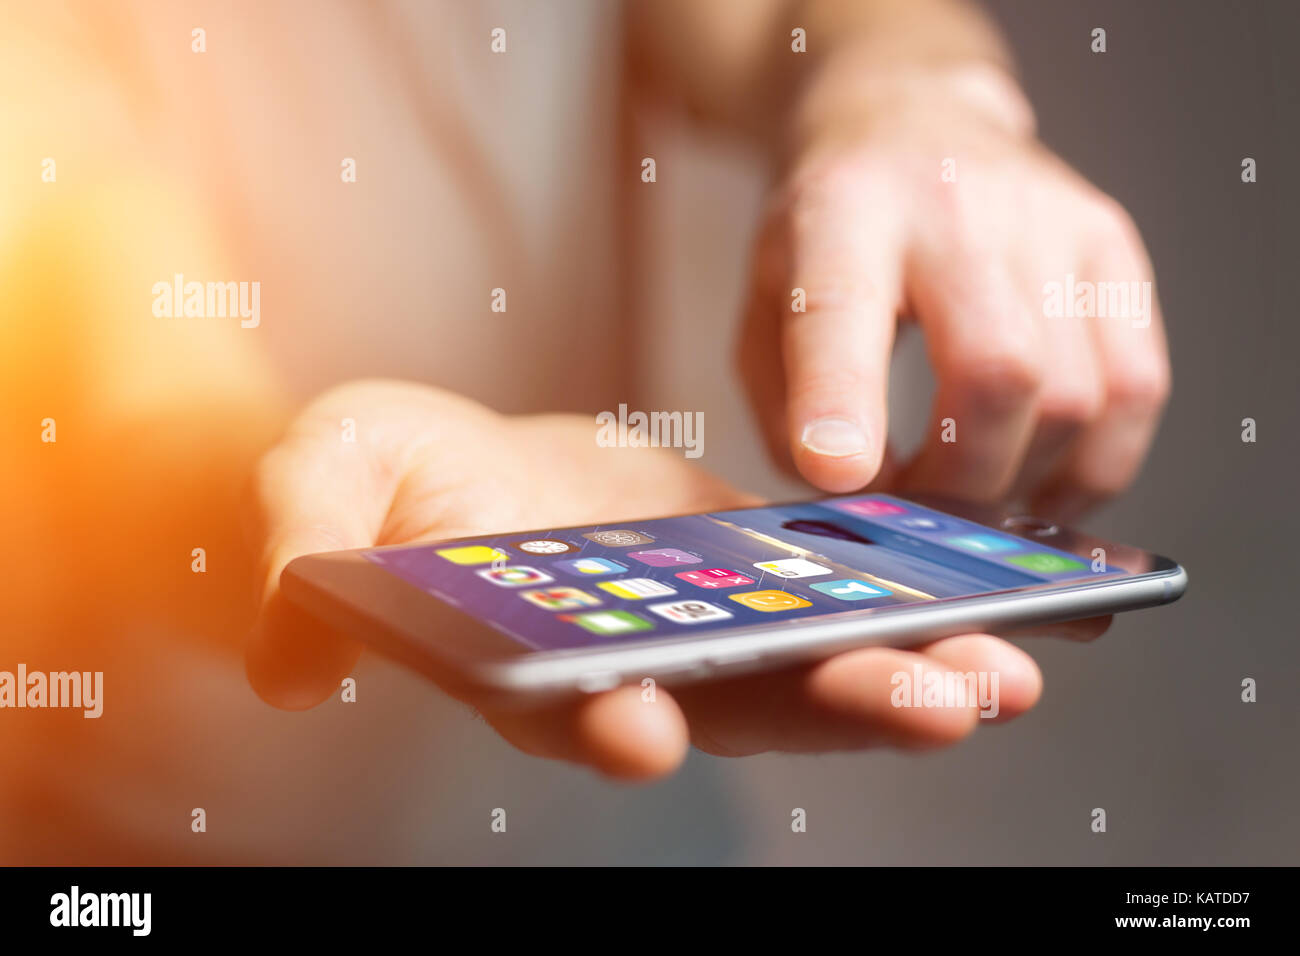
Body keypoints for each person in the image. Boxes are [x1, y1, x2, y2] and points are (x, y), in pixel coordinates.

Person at [1, 0, 1167, 861]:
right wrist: (298, 491)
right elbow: (121, 361)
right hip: (157, 836)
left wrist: (922, 99)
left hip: (619, 817)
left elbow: (790, 22)